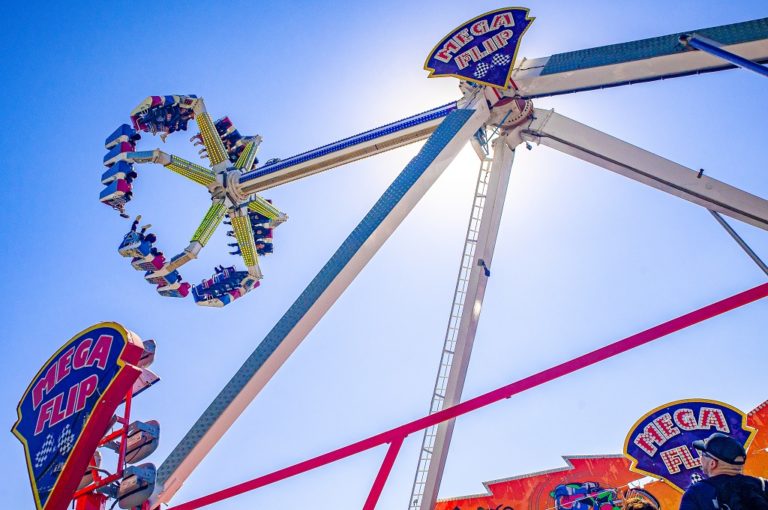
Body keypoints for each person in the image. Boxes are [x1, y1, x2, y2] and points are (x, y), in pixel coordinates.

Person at [680, 432, 768, 509]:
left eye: (704, 454)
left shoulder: (696, 493)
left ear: (712, 464)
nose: (701, 458)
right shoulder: (763, 485)